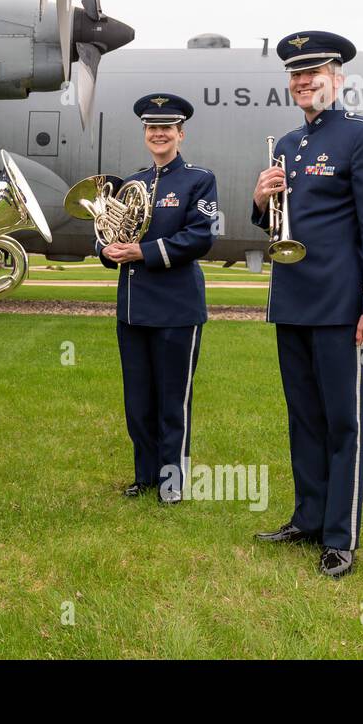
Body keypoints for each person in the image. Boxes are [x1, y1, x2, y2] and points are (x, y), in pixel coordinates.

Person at [251, 30, 363, 578]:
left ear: (336, 80)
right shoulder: (290, 144)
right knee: (305, 420)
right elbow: (277, 227)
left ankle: (341, 536)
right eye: (295, 75)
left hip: (343, 308)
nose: (303, 82)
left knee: (344, 422)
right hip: (292, 302)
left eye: (313, 74)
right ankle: (309, 518)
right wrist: (260, 198)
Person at [97, 94, 217, 503]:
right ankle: (145, 476)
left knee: (172, 402)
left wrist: (142, 253)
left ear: (180, 134)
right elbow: (112, 236)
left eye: (167, 128)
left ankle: (172, 482)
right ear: (145, 134)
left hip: (176, 309)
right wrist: (108, 250)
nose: (159, 134)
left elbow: (201, 237)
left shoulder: (199, 180)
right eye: (152, 128)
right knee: (138, 403)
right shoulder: (134, 182)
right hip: (133, 308)